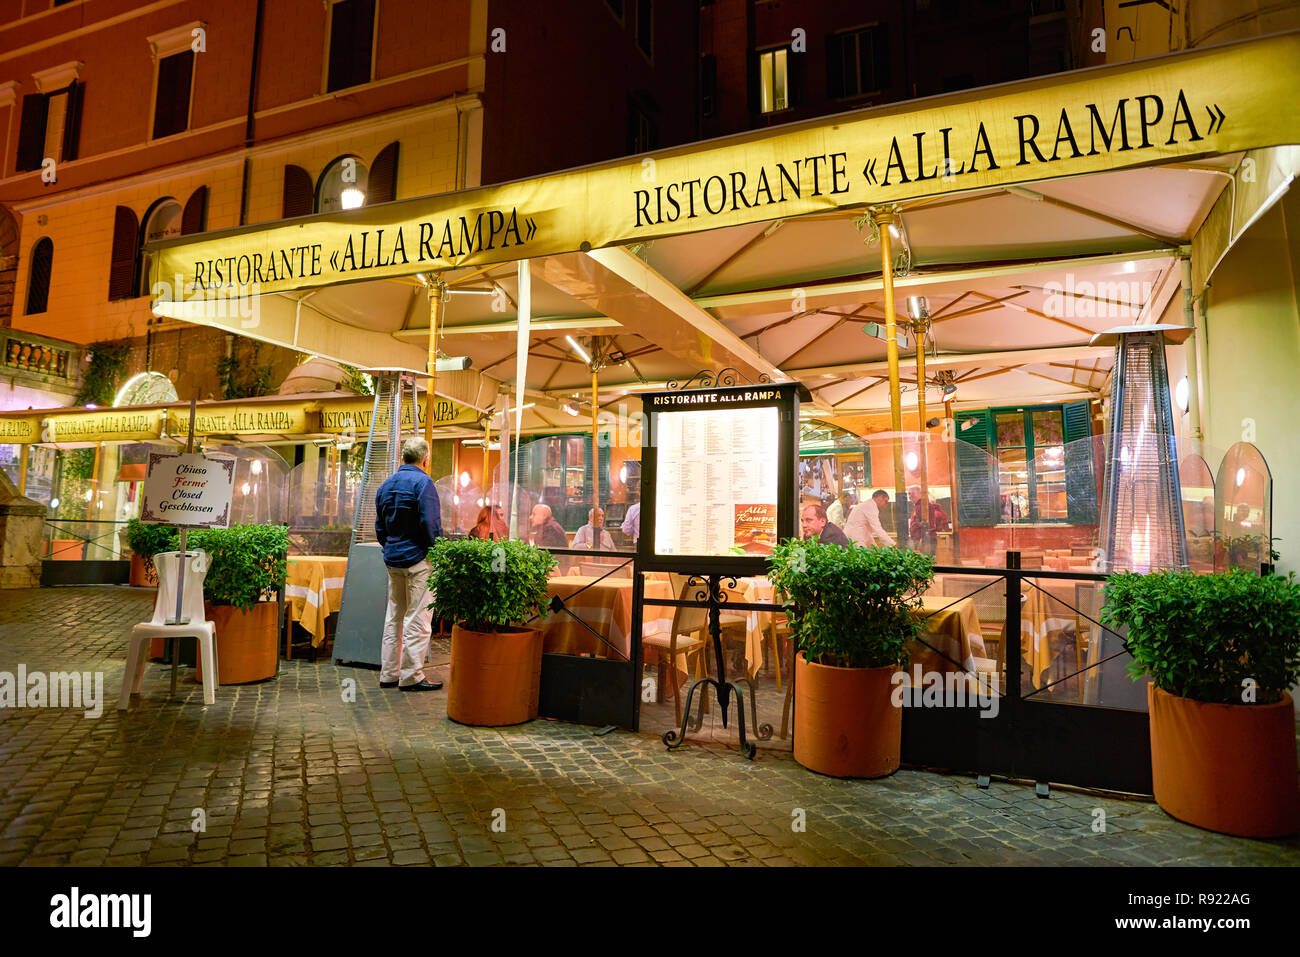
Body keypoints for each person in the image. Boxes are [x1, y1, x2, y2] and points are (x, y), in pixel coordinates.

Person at [374, 437, 443, 692]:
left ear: (403, 457)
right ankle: (412, 676)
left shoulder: (386, 485)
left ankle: (389, 673)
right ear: (425, 459)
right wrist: (436, 553)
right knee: (419, 618)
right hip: (418, 560)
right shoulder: (424, 483)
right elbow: (430, 524)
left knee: (394, 617)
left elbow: (379, 526)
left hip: (393, 560)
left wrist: (389, 547)